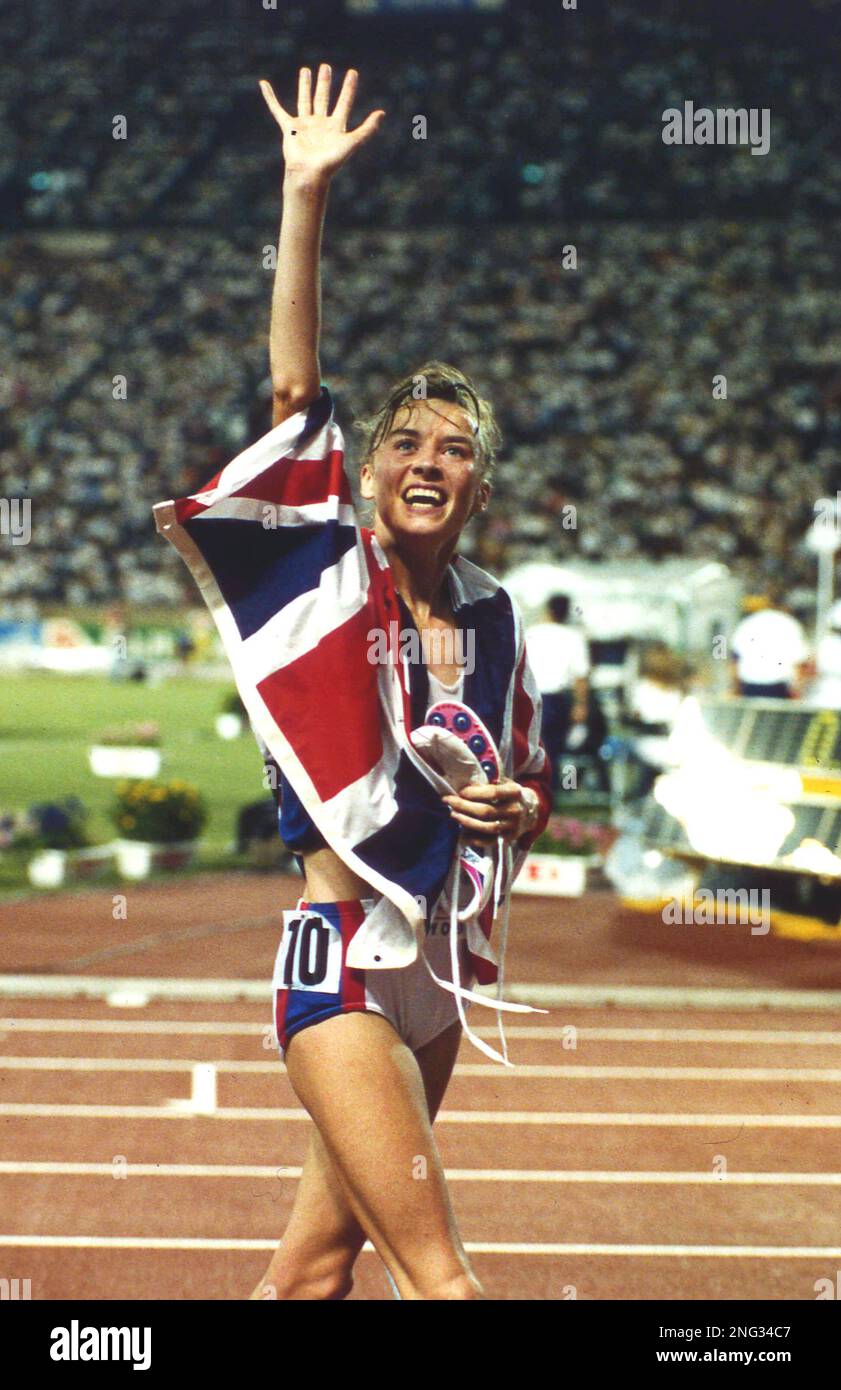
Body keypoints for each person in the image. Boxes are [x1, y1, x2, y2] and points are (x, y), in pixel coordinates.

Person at [155, 65, 551, 1302]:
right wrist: (303, 194)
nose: (429, 460)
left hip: (440, 966)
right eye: (405, 442)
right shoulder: (331, 577)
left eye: (456, 451)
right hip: (341, 958)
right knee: (441, 1277)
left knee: (316, 1269)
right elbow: (291, 392)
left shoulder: (494, 617)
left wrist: (514, 811)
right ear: (370, 469)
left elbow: (524, 780)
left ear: (478, 488)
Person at [526, 594, 592, 792]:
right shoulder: (574, 637)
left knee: (536, 749)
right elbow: (581, 677)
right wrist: (581, 706)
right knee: (555, 750)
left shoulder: (531, 633)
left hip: (533, 696)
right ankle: (555, 791)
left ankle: (540, 790)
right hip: (556, 699)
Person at [729, 588, 809, 699]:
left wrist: (736, 689)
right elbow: (800, 662)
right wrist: (797, 691)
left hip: (749, 686)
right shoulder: (790, 623)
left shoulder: (747, 623)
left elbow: (734, 661)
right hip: (779, 688)